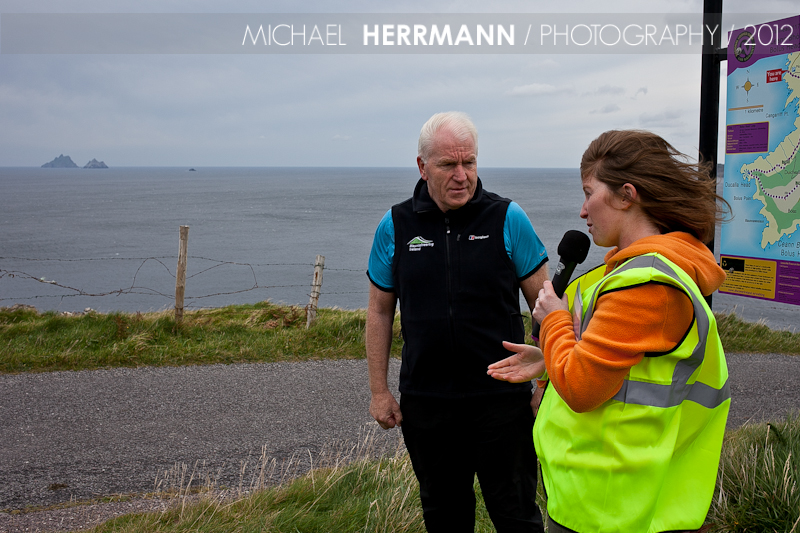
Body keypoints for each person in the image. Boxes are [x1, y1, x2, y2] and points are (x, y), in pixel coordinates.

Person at [488, 129, 731, 533]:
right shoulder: (640, 271)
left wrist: (552, 322)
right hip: (611, 497)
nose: (582, 211)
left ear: (626, 195)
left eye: (588, 193)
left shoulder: (647, 284)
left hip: (616, 507)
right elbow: (623, 369)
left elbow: (583, 387)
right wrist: (550, 358)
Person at [366, 111, 549, 532]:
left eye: (470, 162)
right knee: (444, 517)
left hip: (502, 401)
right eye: (449, 165)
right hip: (427, 403)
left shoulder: (508, 217)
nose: (462, 175)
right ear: (422, 166)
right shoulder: (394, 226)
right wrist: (379, 391)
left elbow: (545, 305)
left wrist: (544, 381)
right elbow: (378, 311)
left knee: (517, 515)